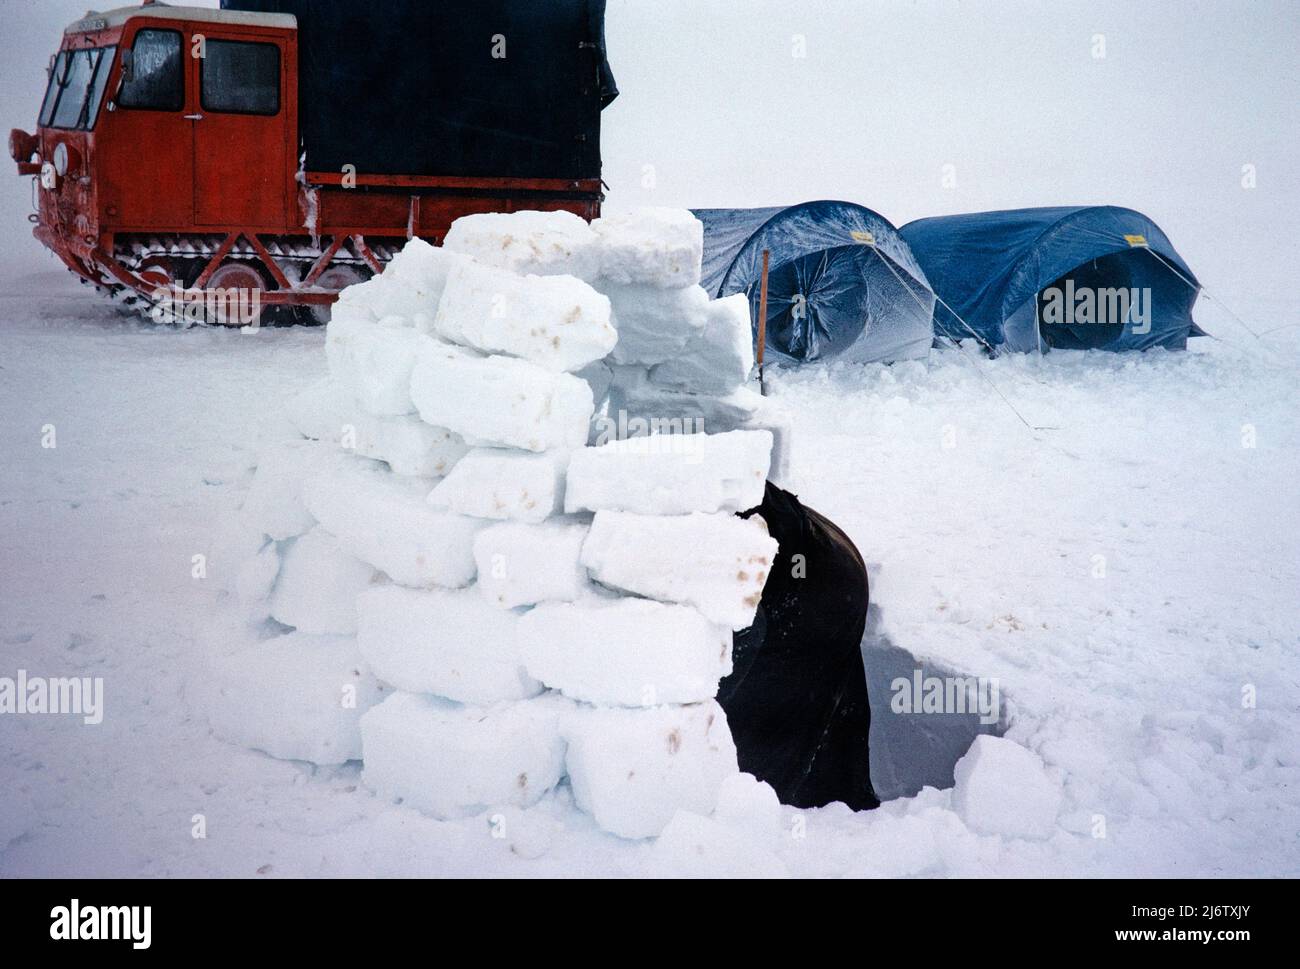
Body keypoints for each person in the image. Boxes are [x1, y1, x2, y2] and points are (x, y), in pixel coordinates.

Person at [719, 483, 880, 811]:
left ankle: (782, 818)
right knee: (827, 712)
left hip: (817, 583)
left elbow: (747, 631)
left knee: (765, 740)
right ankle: (843, 803)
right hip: (819, 553)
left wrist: (713, 696)